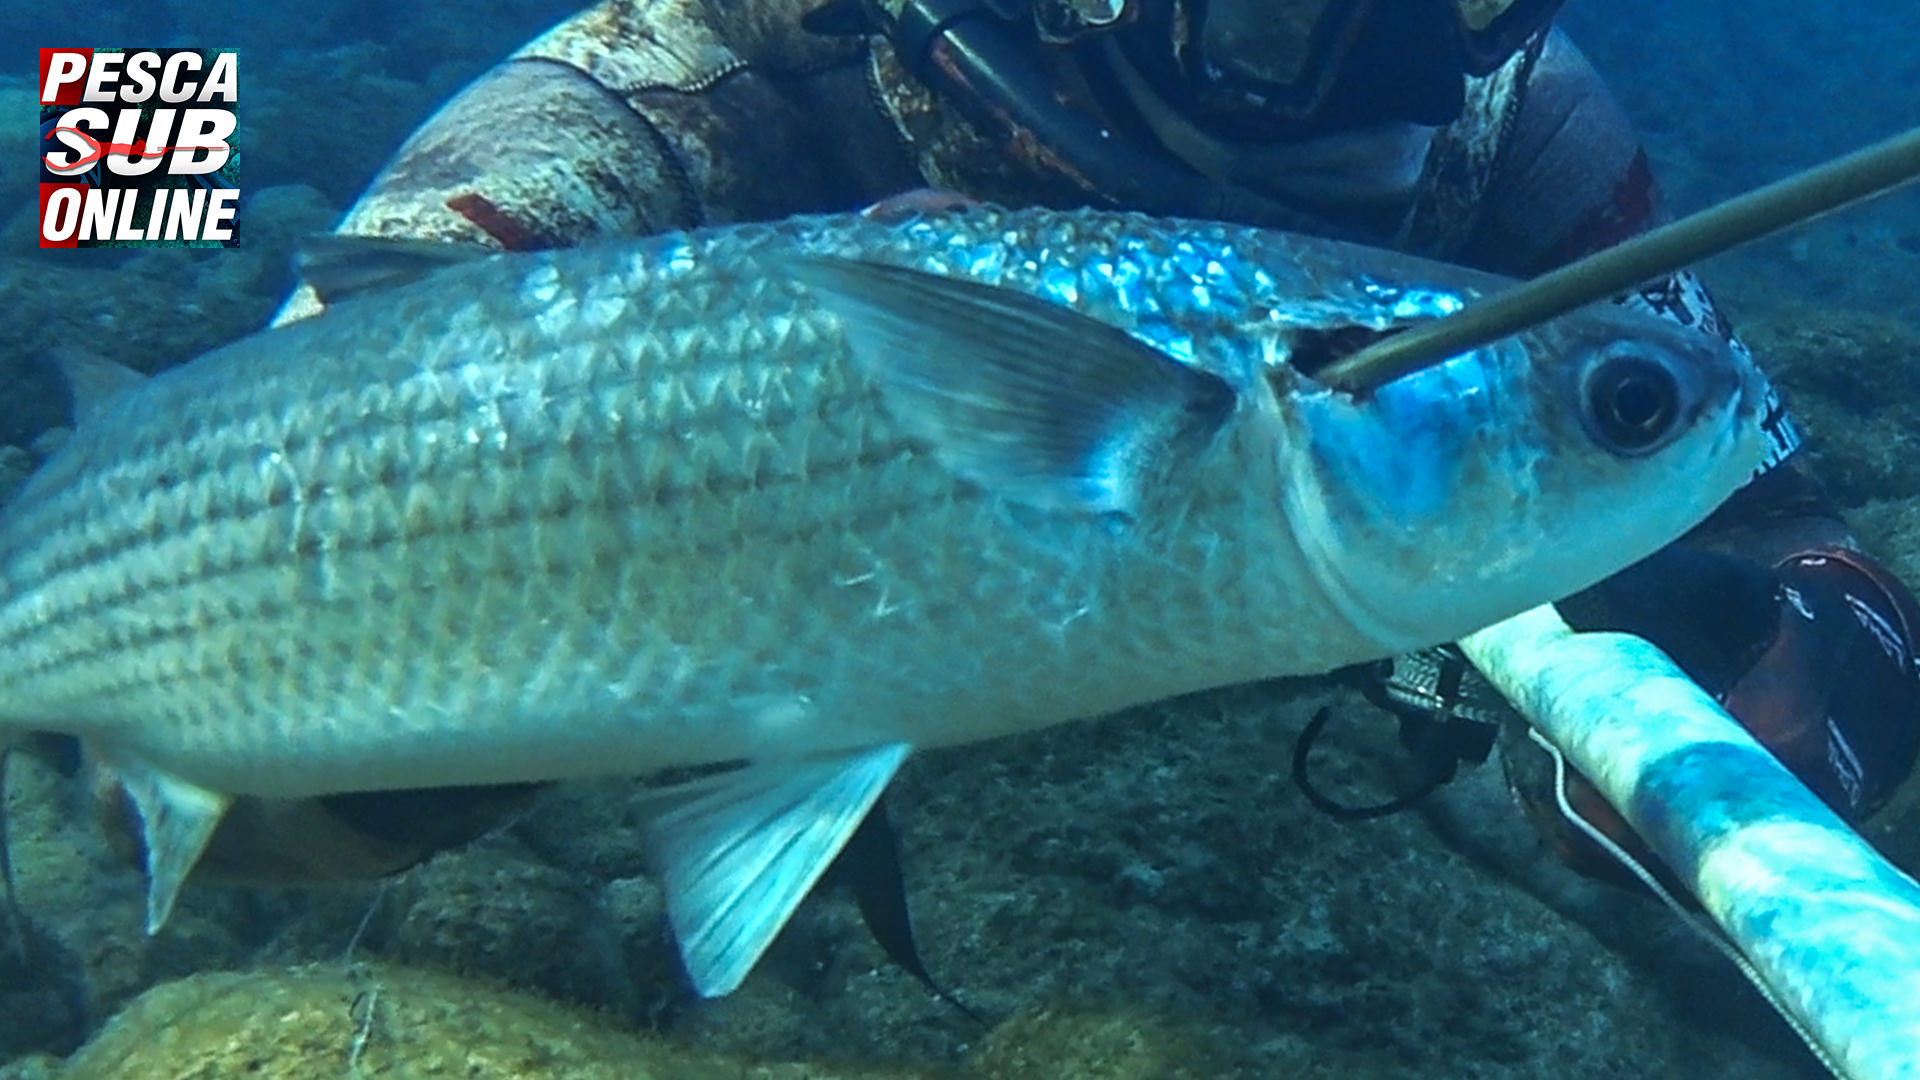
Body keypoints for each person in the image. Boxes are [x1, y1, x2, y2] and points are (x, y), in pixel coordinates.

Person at [232, 0, 1916, 896]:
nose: (1392, 52)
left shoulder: (1516, 123)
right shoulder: (688, 73)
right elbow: (301, 453)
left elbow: (1788, 508)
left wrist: (1800, 700)